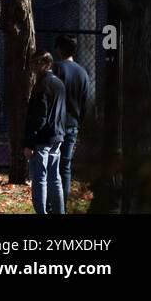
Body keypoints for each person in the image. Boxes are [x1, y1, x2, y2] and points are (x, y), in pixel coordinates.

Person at [24, 50, 66, 215]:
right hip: (57, 134)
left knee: (39, 178)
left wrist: (29, 142)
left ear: (45, 63)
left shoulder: (42, 85)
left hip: (42, 138)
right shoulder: (59, 83)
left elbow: (39, 117)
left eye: (36, 63)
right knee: (54, 178)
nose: (33, 67)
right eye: (32, 63)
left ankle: (41, 212)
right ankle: (59, 211)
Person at [53, 34, 92, 207]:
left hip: (54, 124)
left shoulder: (56, 69)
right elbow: (85, 103)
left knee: (51, 164)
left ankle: (51, 202)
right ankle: (63, 203)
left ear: (59, 49)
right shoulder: (83, 73)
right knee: (65, 166)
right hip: (72, 125)